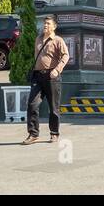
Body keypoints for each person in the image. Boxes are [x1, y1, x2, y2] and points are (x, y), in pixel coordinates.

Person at [23, 15, 69, 145]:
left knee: (53, 107)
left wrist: (57, 69)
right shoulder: (38, 39)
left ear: (54, 26)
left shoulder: (58, 40)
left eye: (48, 24)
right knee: (32, 104)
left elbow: (66, 56)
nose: (45, 25)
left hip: (52, 76)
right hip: (38, 76)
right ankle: (33, 134)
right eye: (44, 23)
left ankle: (54, 133)